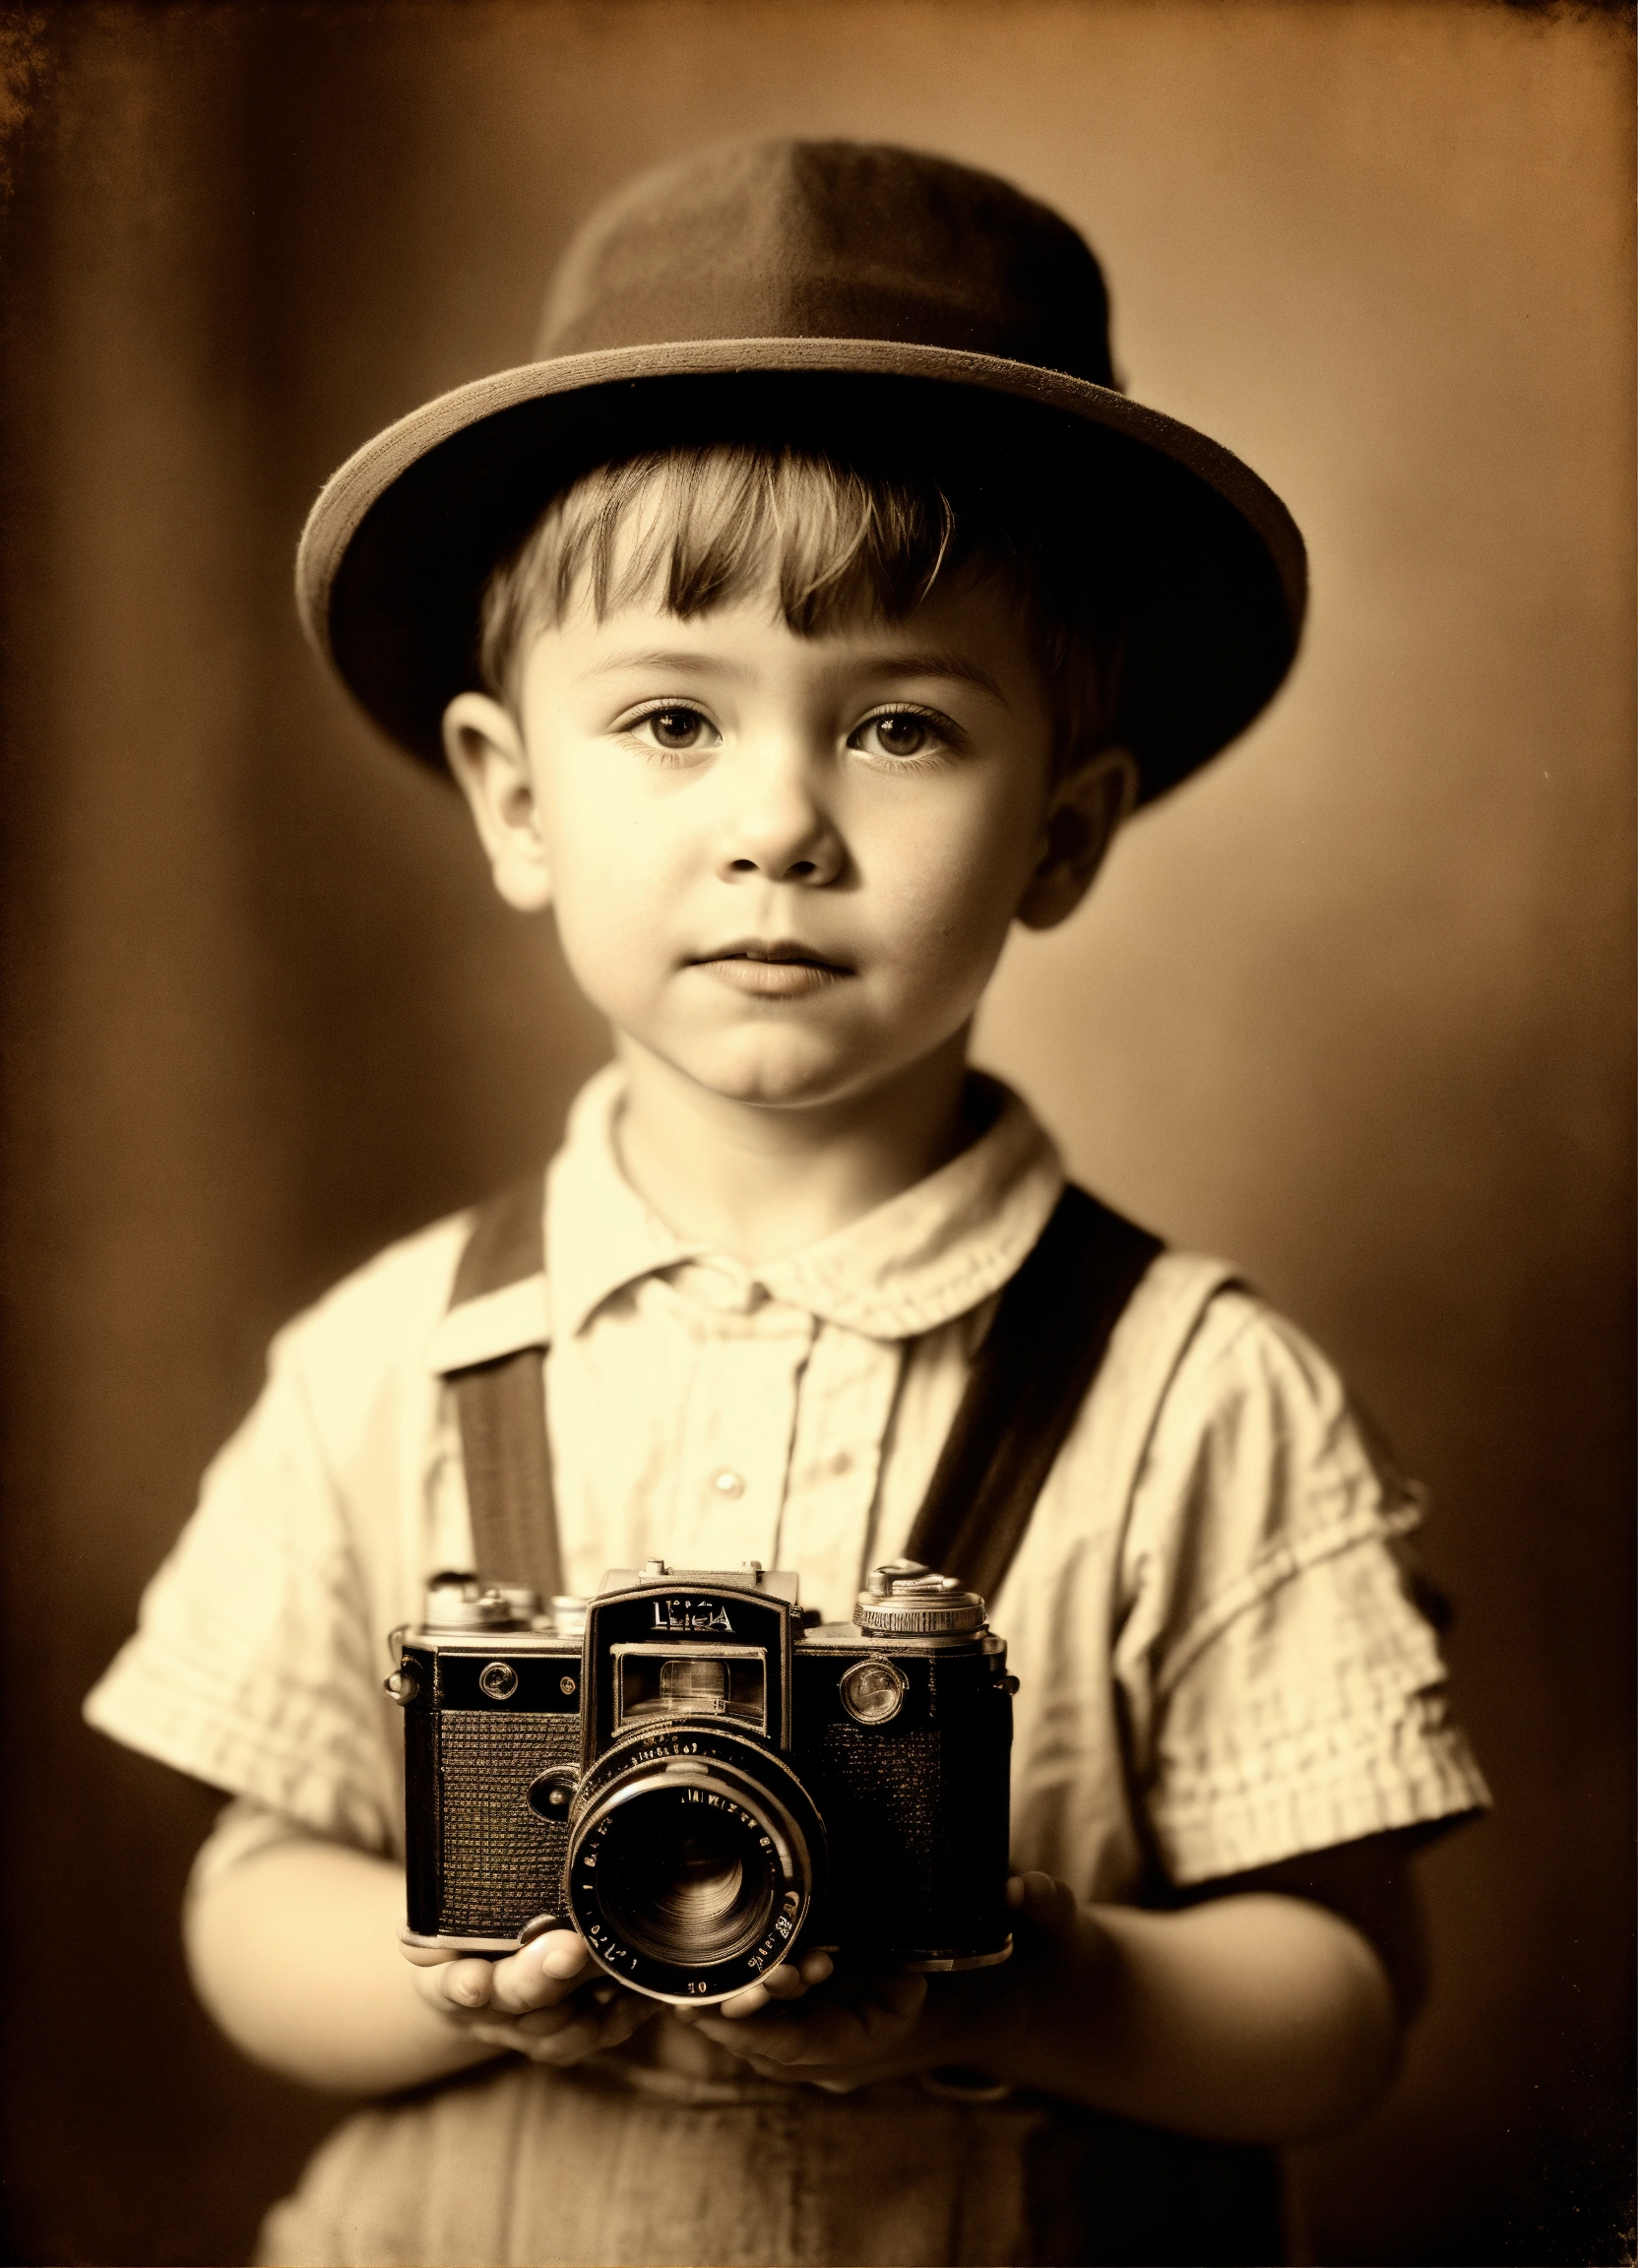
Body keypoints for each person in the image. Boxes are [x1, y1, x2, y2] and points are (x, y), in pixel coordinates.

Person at [84, 140, 1489, 2268]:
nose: (776, 827)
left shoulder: (1206, 1395)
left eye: (901, 728)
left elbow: (1336, 2013)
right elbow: (242, 1912)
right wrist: (452, 1960)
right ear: (513, 796)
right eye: (669, 718)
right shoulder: (389, 1363)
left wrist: (1014, 1972)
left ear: (1066, 832)